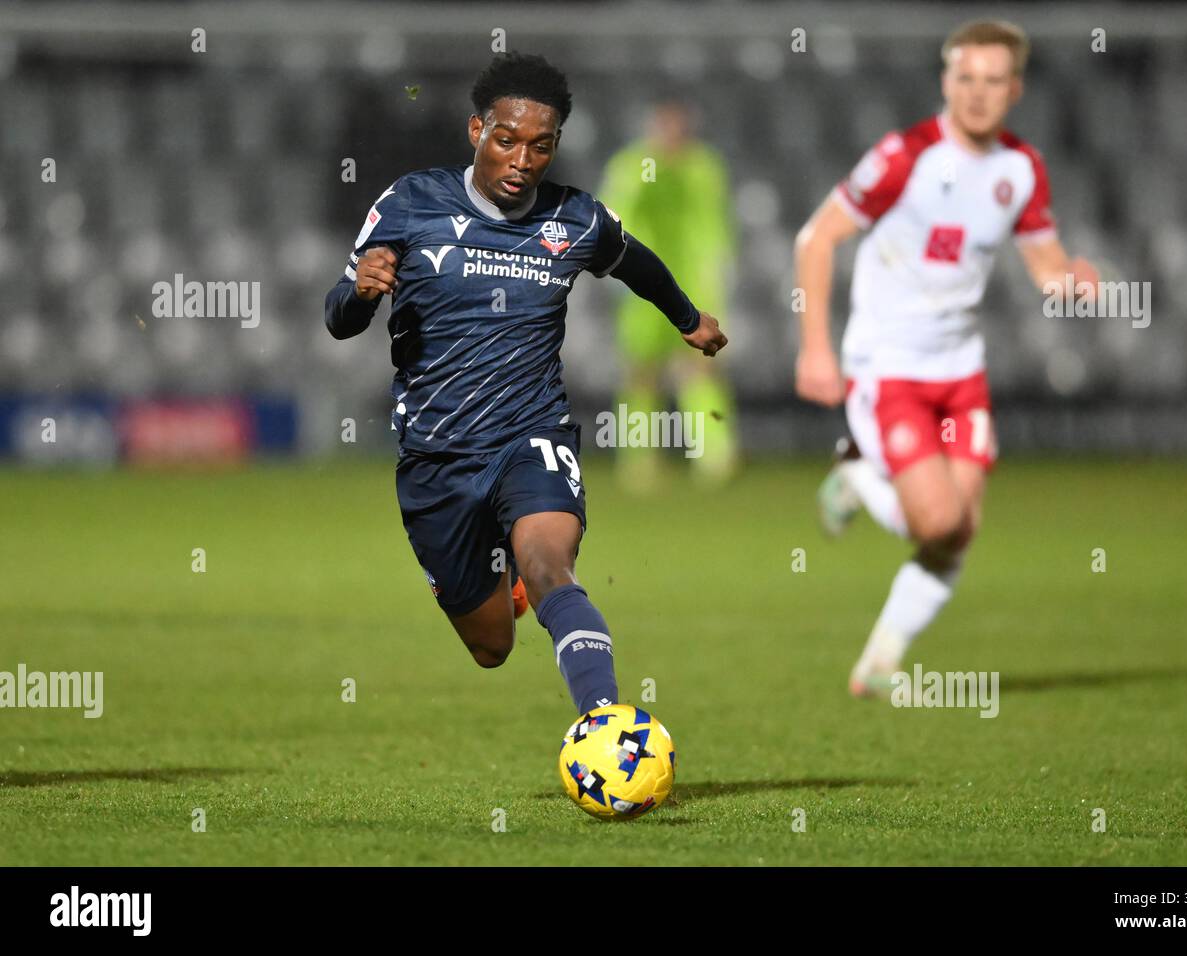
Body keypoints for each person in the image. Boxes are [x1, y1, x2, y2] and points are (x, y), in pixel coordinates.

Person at [324, 53, 727, 714]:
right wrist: (361, 294)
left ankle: (607, 727)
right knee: (492, 646)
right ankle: (493, 574)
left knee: (550, 569)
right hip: (437, 457)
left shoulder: (574, 221)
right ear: (476, 130)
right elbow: (338, 317)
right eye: (506, 140)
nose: (521, 159)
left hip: (530, 436)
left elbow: (635, 262)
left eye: (540, 146)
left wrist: (688, 319)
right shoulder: (410, 202)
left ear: (555, 146)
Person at [791, 20, 1098, 696]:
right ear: (945, 81)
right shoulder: (905, 156)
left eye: (994, 80)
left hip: (960, 370)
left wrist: (1070, 280)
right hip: (887, 364)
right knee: (937, 520)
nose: (978, 93)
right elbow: (817, 238)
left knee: (961, 532)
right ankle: (857, 474)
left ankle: (881, 659)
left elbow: (1045, 265)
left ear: (1015, 89)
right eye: (966, 78)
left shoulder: (1021, 170)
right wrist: (816, 347)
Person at [599, 96, 739, 489]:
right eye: (667, 126)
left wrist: (719, 270)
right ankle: (638, 459)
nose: (674, 135)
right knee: (642, 371)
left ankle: (715, 455)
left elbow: (716, 223)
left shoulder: (704, 166)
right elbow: (615, 214)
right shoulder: (632, 166)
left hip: (695, 280)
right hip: (642, 283)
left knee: (701, 366)